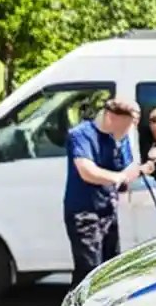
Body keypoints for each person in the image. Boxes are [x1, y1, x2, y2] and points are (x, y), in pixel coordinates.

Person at [63, 98, 148, 288]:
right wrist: (117, 178)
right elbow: (87, 171)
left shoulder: (119, 137)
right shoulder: (81, 135)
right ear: (110, 117)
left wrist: (135, 170)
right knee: (89, 269)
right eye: (125, 126)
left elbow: (127, 168)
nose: (127, 132)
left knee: (110, 268)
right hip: (83, 212)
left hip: (108, 211)